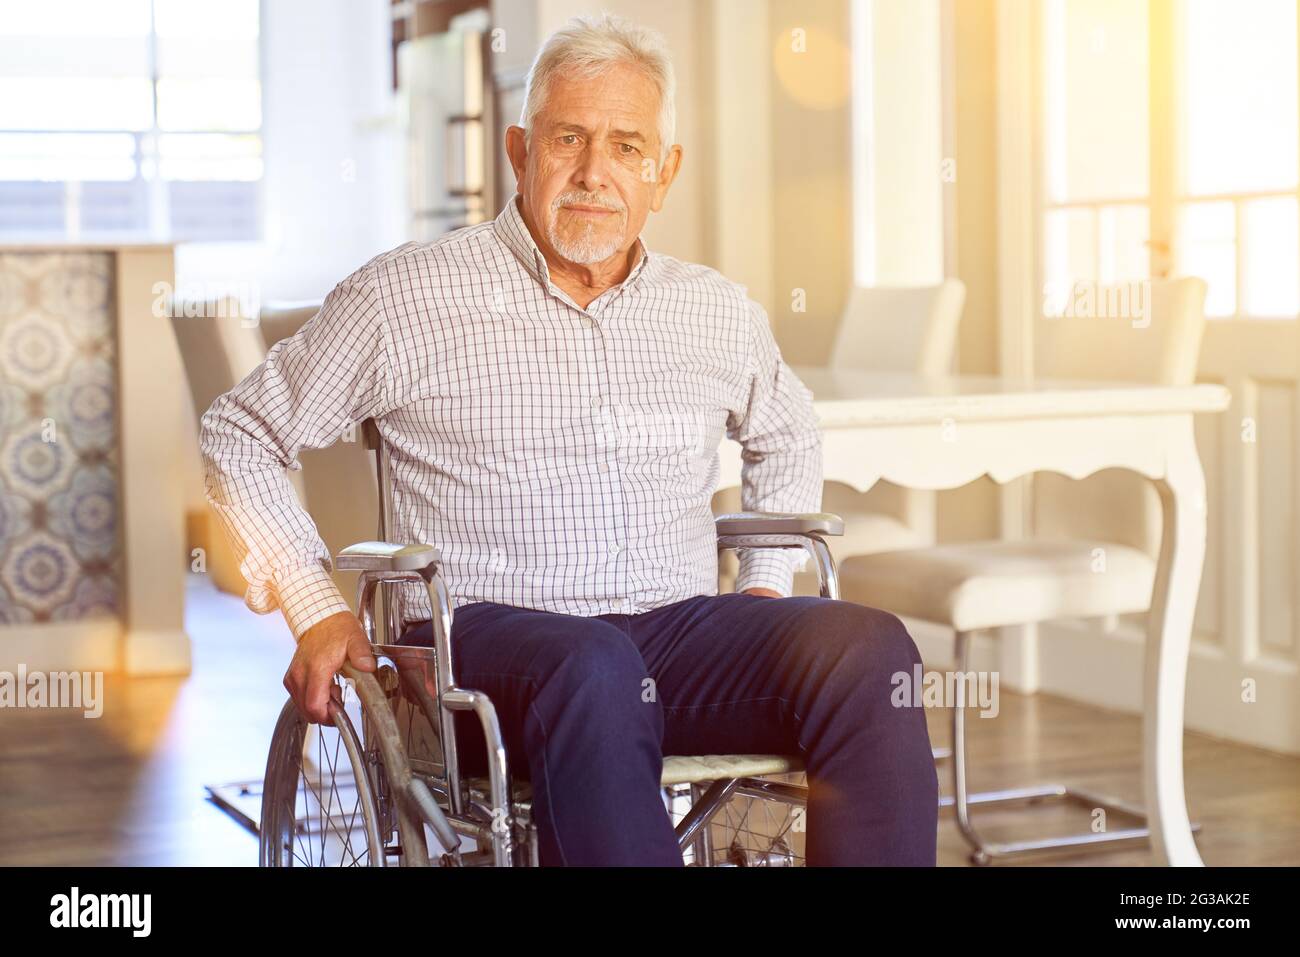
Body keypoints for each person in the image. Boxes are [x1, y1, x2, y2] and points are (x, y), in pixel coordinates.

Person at [200, 12, 938, 866]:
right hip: (479, 651)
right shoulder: (405, 296)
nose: (595, 173)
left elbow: (789, 430)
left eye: (628, 146)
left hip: (672, 637)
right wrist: (315, 603)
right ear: (520, 153)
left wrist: (766, 584)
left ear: (664, 174)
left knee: (868, 648)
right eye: (569, 139)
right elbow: (240, 430)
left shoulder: (713, 310)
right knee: (593, 664)